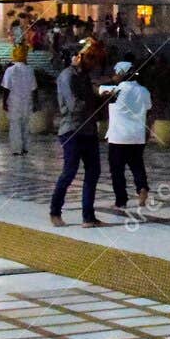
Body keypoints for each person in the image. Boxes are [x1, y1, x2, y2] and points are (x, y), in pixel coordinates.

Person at [49, 40, 104, 227]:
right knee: (70, 171)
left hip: (88, 130)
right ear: (78, 57)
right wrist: (97, 100)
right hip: (72, 130)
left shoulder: (84, 76)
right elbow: (73, 105)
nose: (93, 63)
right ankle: (55, 211)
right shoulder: (67, 77)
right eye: (89, 58)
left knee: (93, 171)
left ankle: (88, 216)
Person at [104, 60, 151, 211]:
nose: (114, 76)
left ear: (121, 74)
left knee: (117, 170)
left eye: (116, 73)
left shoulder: (117, 90)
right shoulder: (144, 91)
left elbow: (99, 91)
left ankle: (121, 200)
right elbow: (149, 108)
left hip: (118, 137)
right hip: (137, 136)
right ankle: (142, 188)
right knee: (137, 165)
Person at [1, 45, 36, 155]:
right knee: (25, 125)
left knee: (15, 125)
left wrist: (4, 102)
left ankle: (17, 148)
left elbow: (6, 88)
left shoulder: (10, 70)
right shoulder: (30, 70)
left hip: (14, 102)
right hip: (27, 101)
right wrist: (36, 102)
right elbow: (34, 88)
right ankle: (25, 147)